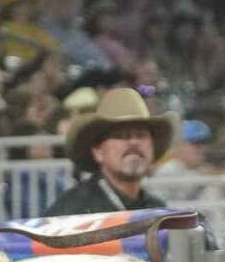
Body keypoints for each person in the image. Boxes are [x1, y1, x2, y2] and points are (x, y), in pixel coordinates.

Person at [43, 88, 174, 217]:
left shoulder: (156, 209)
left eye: (141, 135)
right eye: (121, 135)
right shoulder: (72, 213)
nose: (134, 142)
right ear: (98, 152)